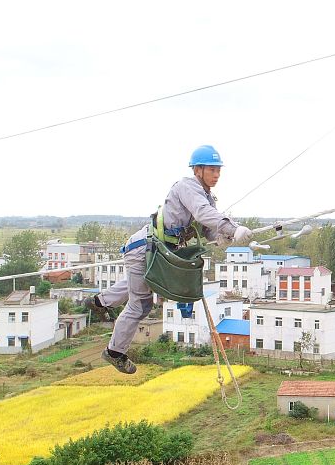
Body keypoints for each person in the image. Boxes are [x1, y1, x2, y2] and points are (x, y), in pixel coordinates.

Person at [87, 145, 253, 374]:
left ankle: (99, 302)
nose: (217, 175)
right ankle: (114, 351)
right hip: (144, 249)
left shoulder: (204, 195)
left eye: (218, 170)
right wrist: (232, 228)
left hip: (157, 250)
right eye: (212, 170)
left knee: (143, 284)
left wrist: (222, 237)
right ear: (198, 169)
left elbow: (206, 227)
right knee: (141, 303)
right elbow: (204, 213)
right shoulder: (188, 187)